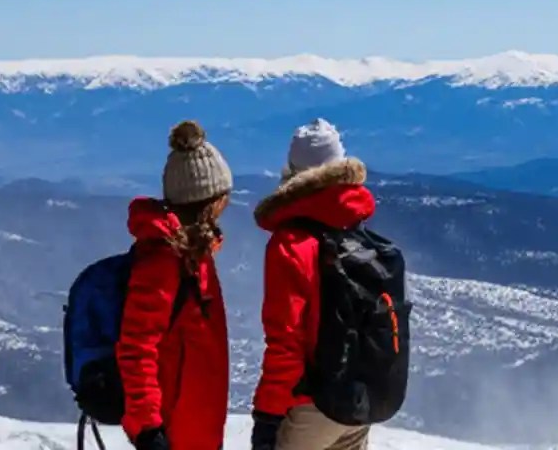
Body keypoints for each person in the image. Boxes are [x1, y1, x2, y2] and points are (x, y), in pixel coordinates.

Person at [251, 119, 376, 450]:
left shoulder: (291, 243)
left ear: (293, 173)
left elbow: (286, 340)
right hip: (358, 400)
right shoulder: (357, 229)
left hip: (312, 405)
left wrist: (267, 414)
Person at [117, 121, 232, 450]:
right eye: (223, 197)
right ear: (209, 201)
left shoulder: (194, 256)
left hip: (195, 428)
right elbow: (136, 347)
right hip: (174, 429)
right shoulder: (164, 262)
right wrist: (149, 429)